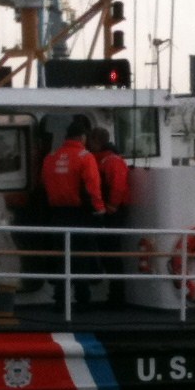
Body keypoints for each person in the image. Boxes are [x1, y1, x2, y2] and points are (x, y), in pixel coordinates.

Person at [39, 114, 104, 306]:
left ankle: (60, 299)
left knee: (61, 258)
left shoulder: (50, 158)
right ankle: (82, 300)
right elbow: (93, 188)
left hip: (56, 215)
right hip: (80, 215)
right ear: (82, 138)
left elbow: (43, 184)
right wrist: (99, 212)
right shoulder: (86, 157)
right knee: (81, 258)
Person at [87, 127, 131, 306]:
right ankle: (113, 294)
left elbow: (118, 185)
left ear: (97, 141)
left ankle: (117, 297)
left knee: (112, 253)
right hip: (104, 211)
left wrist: (111, 206)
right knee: (106, 251)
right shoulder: (101, 159)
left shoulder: (111, 160)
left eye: (90, 140)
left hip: (113, 212)